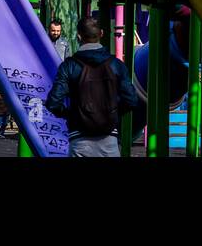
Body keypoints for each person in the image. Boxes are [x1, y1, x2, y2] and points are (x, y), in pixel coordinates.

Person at [45, 17, 142, 157]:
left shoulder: (69, 66)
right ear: (101, 33)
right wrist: (111, 112)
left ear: (79, 36)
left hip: (80, 139)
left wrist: (71, 114)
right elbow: (132, 100)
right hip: (109, 139)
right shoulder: (116, 65)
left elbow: (53, 102)